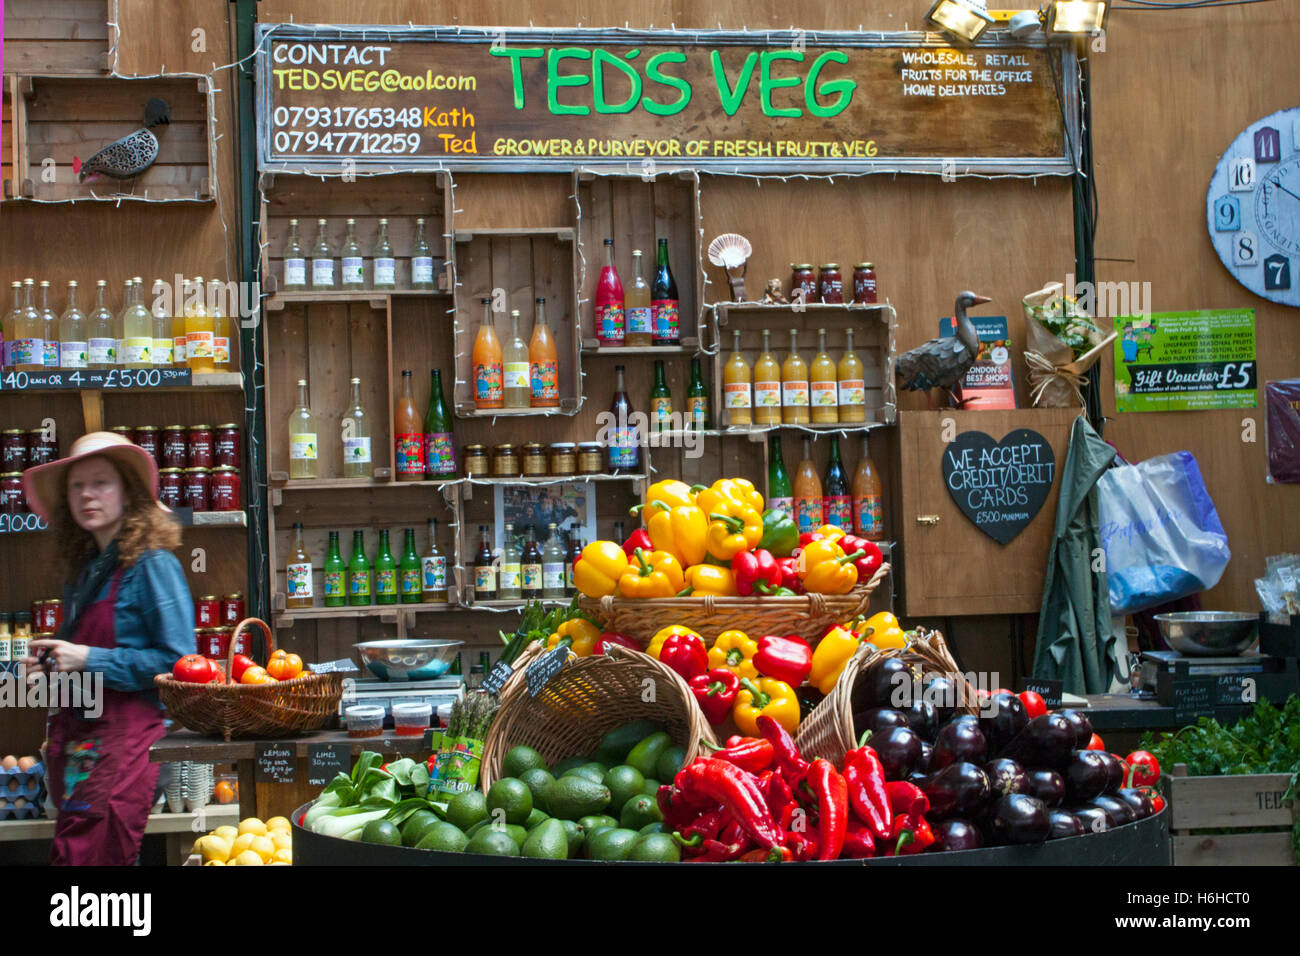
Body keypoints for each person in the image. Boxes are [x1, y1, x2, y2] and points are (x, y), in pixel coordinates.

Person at [22, 431, 195, 865]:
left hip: (129, 741)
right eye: (77, 486)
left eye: (101, 483)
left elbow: (180, 662)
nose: (87, 495)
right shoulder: (86, 571)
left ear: (127, 492)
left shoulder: (153, 563)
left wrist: (86, 658)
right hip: (84, 741)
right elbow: (83, 669)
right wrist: (49, 672)